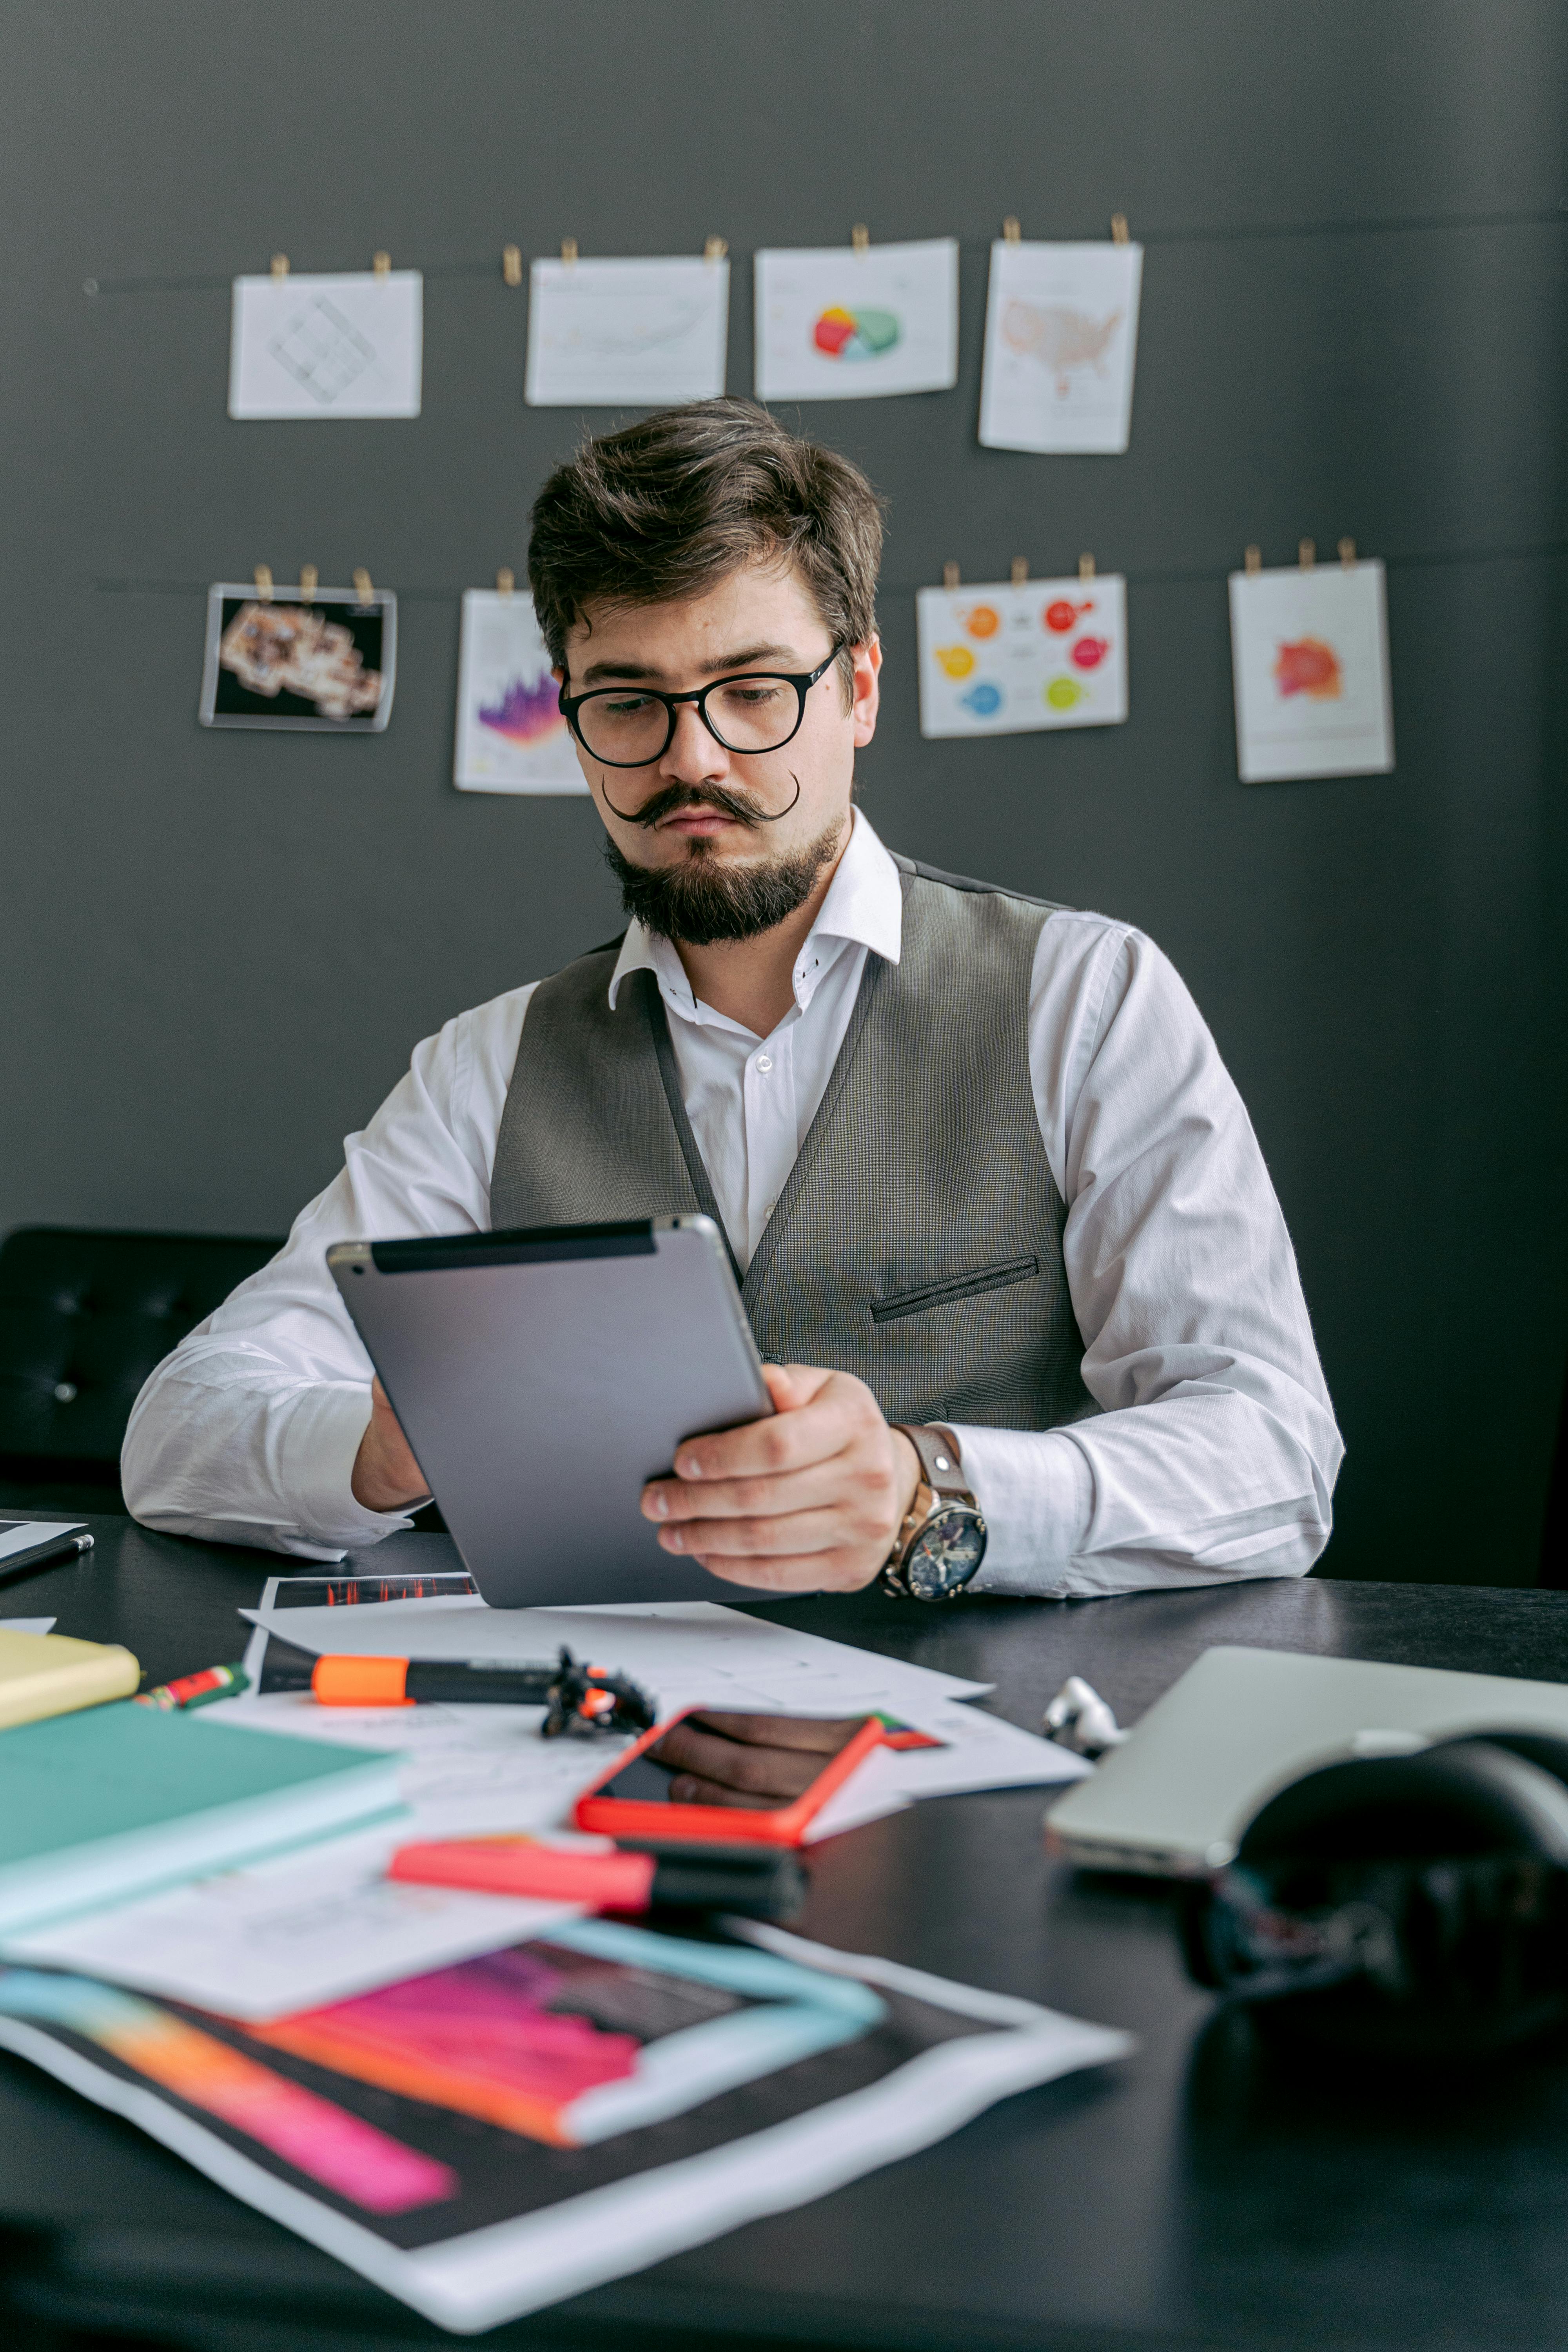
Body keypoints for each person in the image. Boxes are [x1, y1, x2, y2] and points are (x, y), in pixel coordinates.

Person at [123, 398, 1342, 1804]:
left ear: (862, 689)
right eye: (630, 701)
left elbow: (1272, 1453)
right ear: (576, 728)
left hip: (994, 1775)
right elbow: (180, 1429)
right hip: (578, 1772)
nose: (691, 757)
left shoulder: (1088, 996)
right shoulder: (487, 1065)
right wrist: (390, 1440)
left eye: (755, 689)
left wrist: (926, 1489)